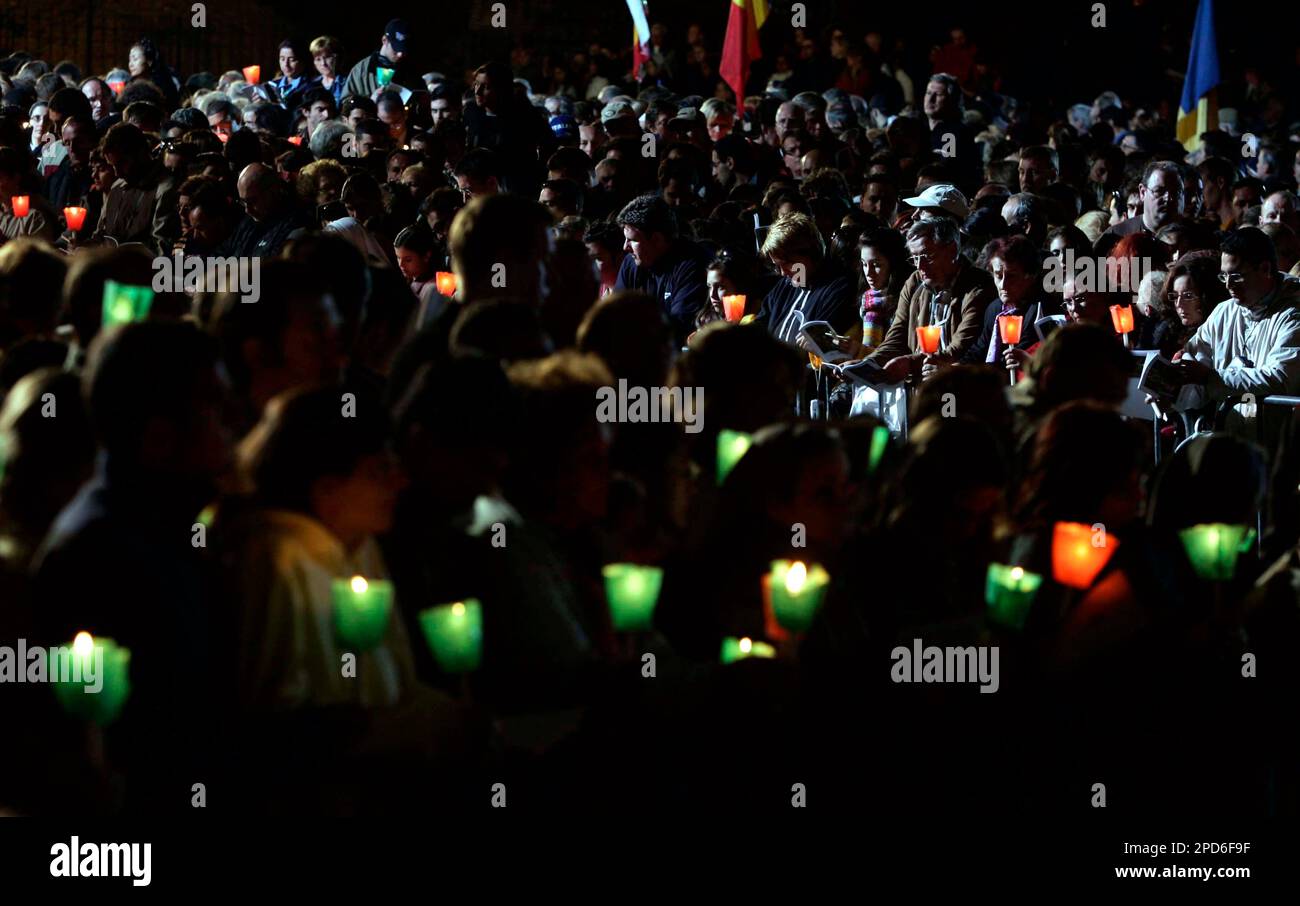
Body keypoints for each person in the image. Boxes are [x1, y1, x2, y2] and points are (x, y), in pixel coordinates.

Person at [31, 323, 232, 813]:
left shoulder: (171, 522)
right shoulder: (97, 555)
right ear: (160, 437)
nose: (237, 425)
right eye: (218, 411)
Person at [1176, 228, 1300, 433]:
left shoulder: (1293, 313)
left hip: (1278, 442)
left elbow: (1280, 378)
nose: (1228, 285)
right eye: (1223, 276)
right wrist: (1170, 384)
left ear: (1265, 268)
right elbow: (1196, 355)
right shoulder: (1225, 311)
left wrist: (1211, 377)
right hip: (1230, 435)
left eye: (1236, 276)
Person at [866, 217, 996, 381]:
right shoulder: (915, 282)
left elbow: (960, 347)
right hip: (921, 381)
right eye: (915, 258)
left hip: (956, 383)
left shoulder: (978, 286)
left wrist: (911, 362)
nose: (920, 266)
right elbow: (897, 337)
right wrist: (867, 364)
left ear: (952, 250)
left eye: (927, 256)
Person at [612, 193, 711, 344]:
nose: (625, 247)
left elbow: (679, 327)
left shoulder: (692, 263)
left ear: (657, 239)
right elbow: (614, 316)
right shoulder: (631, 263)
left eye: (632, 240)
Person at [756, 212, 858, 344]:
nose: (782, 273)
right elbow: (760, 323)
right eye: (777, 266)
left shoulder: (839, 287)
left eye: (788, 263)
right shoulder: (786, 283)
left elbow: (817, 342)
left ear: (812, 252)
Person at [964, 235, 1057, 374]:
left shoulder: (1041, 309)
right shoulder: (995, 308)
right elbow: (979, 349)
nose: (1003, 285)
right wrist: (954, 367)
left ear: (1030, 275)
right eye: (998, 275)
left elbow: (1018, 355)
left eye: (1012, 276)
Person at [1101, 160, 1184, 243]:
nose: (1168, 198)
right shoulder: (1114, 237)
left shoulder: (1195, 237)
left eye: (1176, 191)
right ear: (1143, 192)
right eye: (1159, 191)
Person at [342, 19, 412, 100]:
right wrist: (370, 103)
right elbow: (345, 106)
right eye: (396, 49)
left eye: (404, 50)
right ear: (384, 40)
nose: (400, 54)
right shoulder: (361, 71)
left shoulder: (410, 70)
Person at [310, 35, 345, 106]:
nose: (323, 63)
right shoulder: (311, 85)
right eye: (318, 59)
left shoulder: (347, 82)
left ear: (337, 57)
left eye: (327, 57)